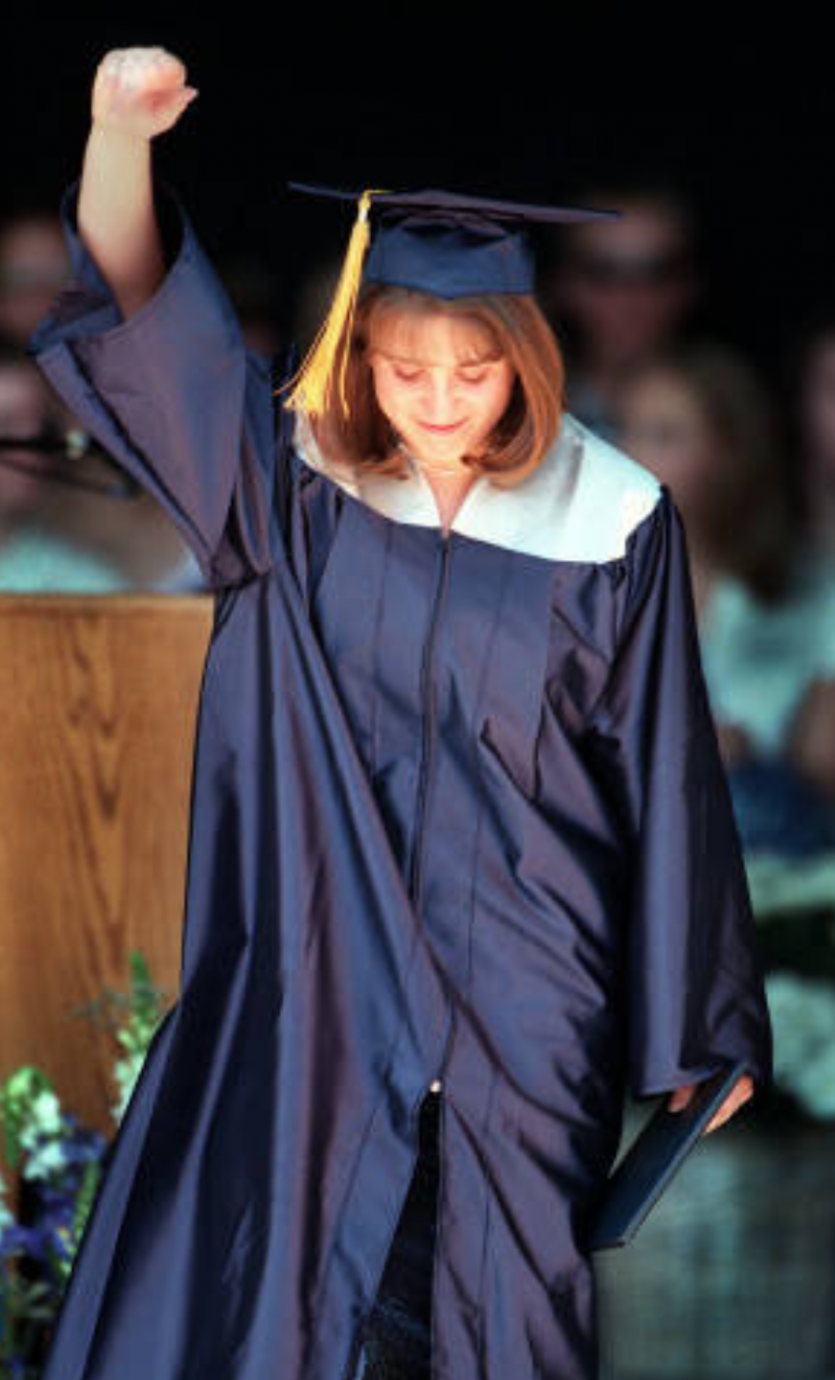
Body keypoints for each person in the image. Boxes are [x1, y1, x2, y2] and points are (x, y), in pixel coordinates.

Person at [27, 47, 772, 1380]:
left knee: (504, 1312)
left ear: (525, 358)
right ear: (358, 354)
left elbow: (661, 772)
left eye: (472, 372)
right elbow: (148, 319)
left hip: (528, 988)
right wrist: (118, 137)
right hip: (319, 970)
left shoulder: (610, 523)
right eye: (401, 369)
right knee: (301, 1303)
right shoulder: (291, 485)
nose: (435, 404)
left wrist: (700, 1027)